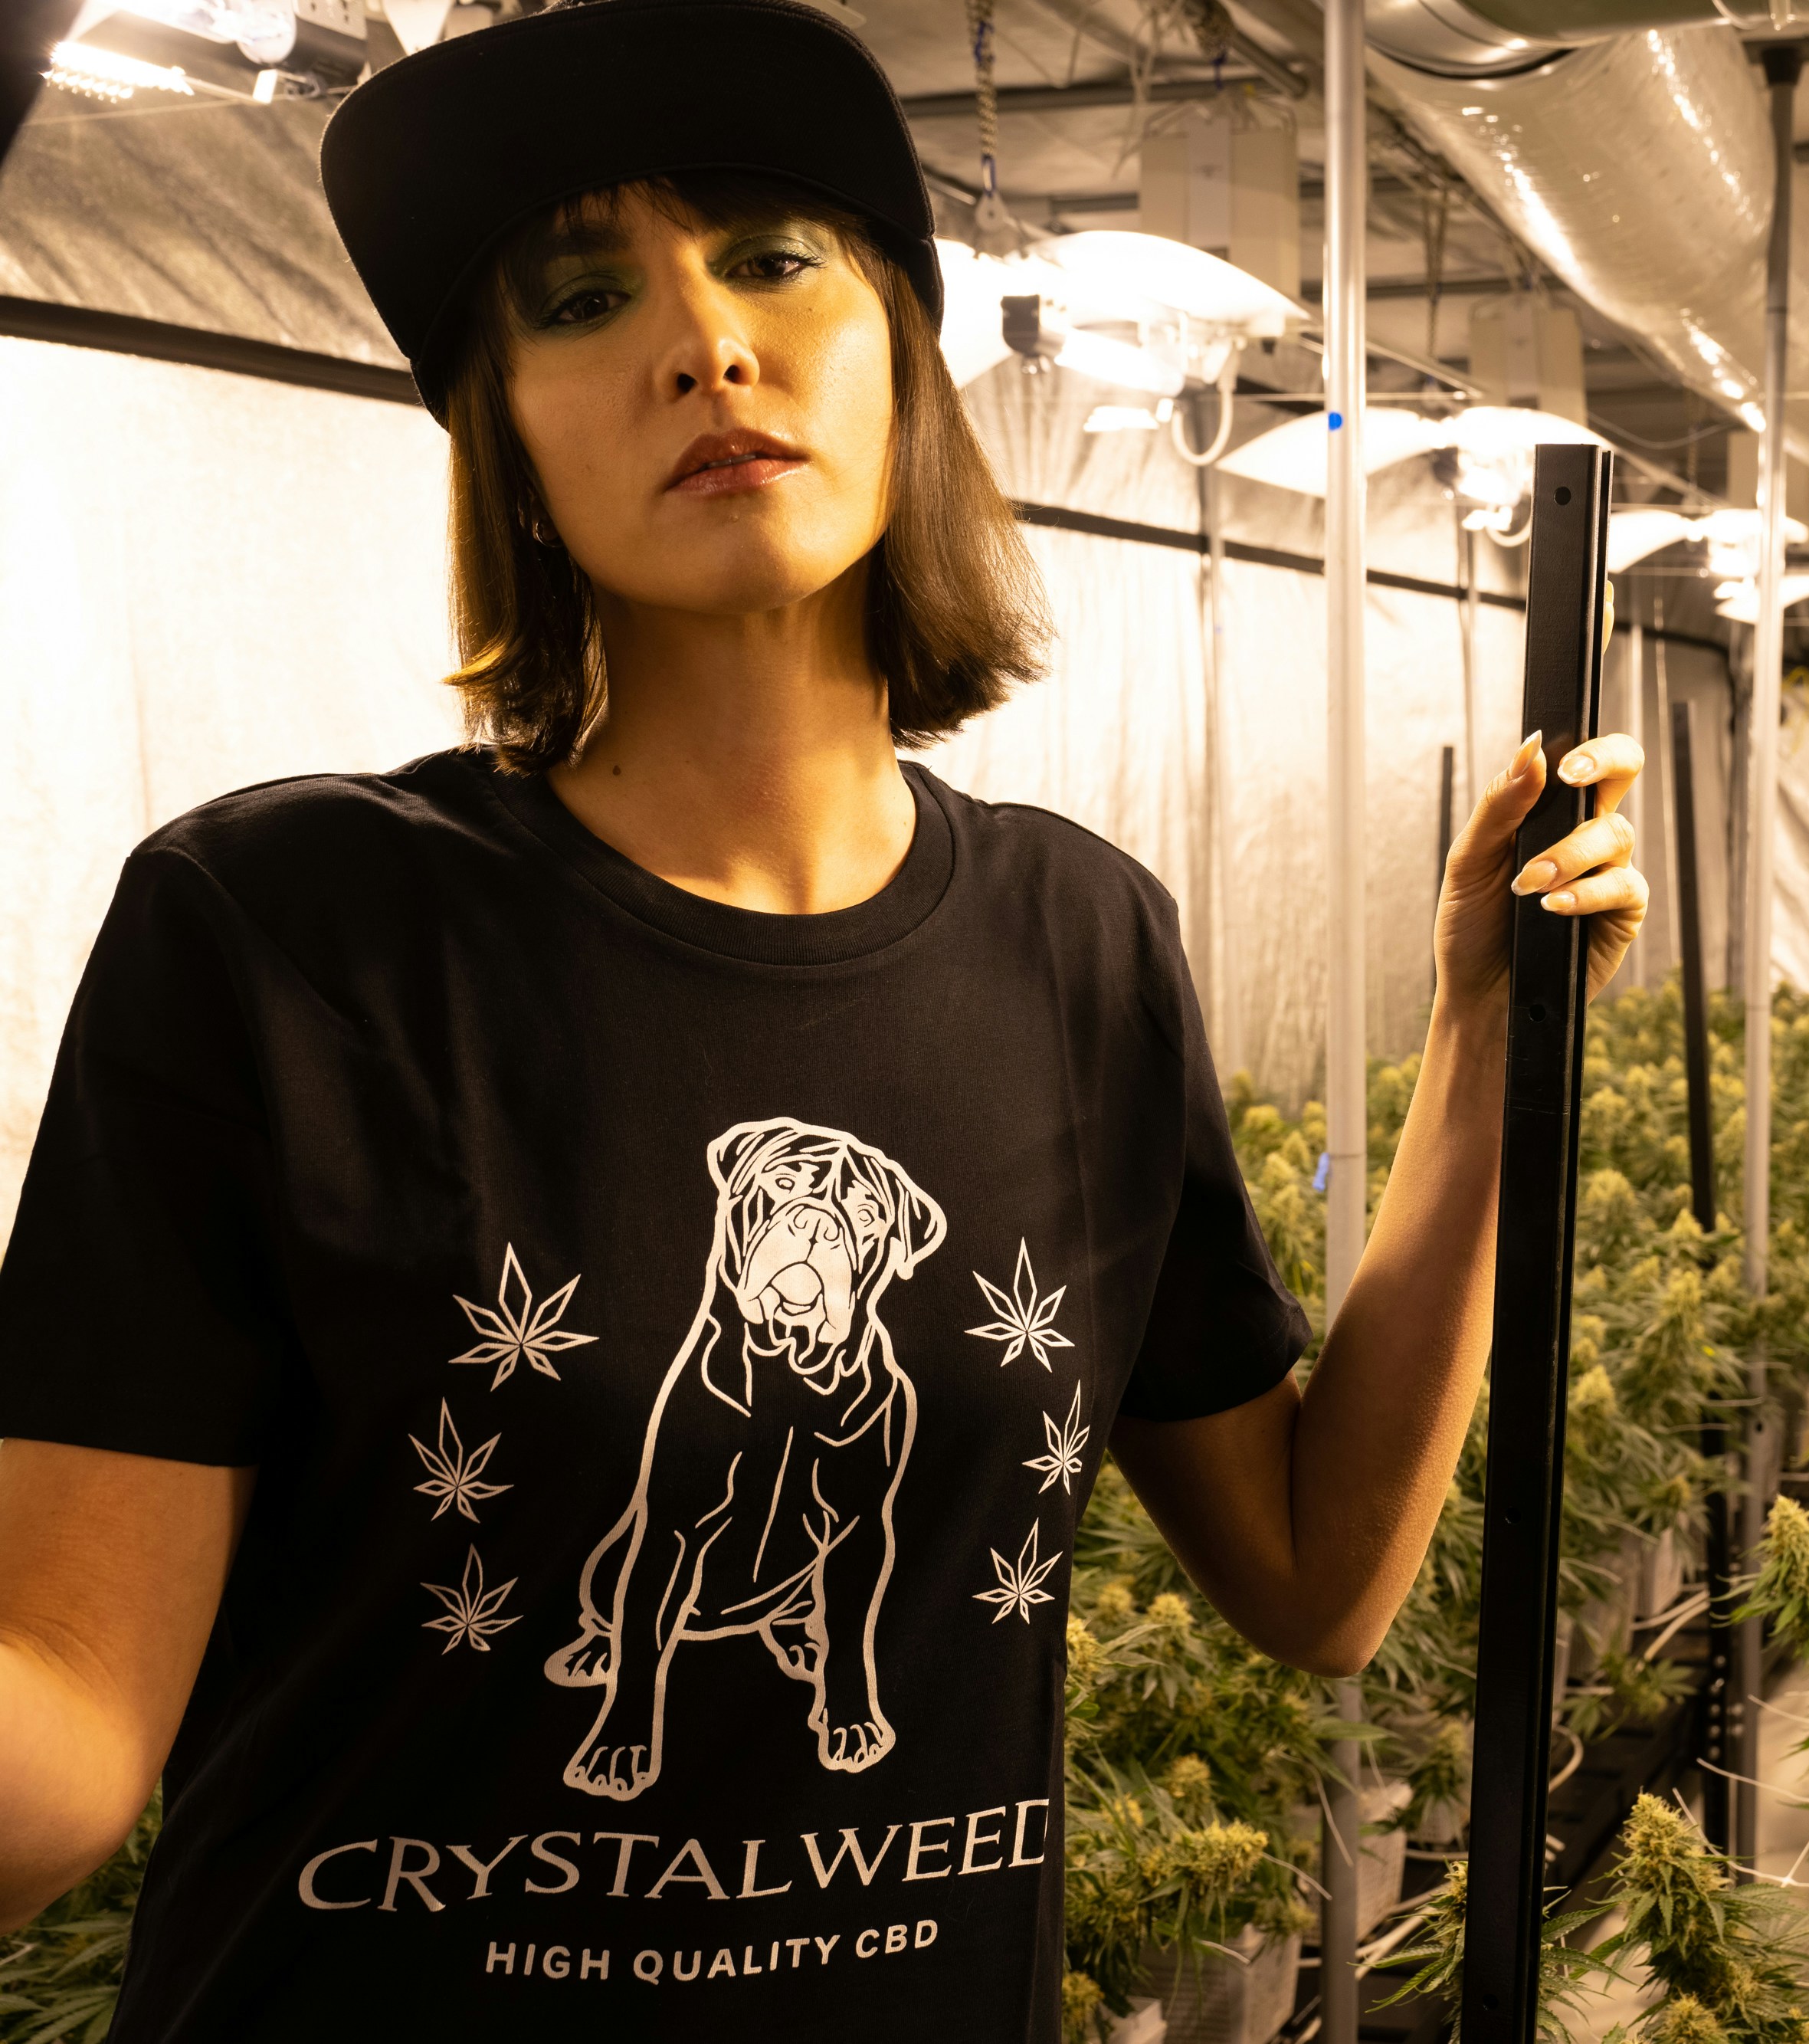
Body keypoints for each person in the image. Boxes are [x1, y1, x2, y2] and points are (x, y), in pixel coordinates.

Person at [0, 0, 1645, 2030]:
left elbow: (1317, 1571)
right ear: (504, 428)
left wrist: (1483, 1031)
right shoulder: (277, 931)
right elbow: (60, 1736)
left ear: (906, 355)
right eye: (587, 296)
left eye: (773, 255)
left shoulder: (1082, 944)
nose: (703, 340)